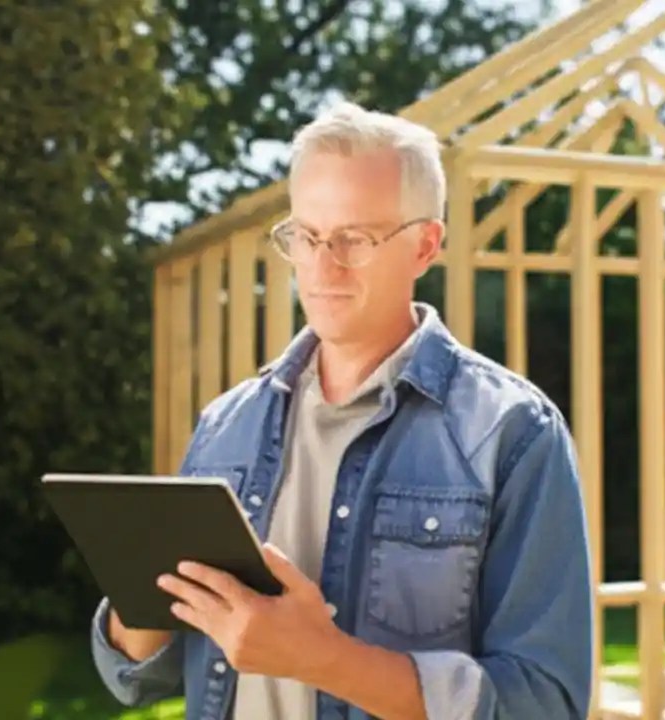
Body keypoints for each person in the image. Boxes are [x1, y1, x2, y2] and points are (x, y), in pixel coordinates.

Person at [90, 100, 594, 720]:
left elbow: (545, 702)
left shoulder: (512, 433)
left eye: (354, 238)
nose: (322, 266)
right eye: (306, 236)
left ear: (424, 246)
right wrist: (140, 597)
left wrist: (323, 660)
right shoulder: (227, 424)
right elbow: (138, 671)